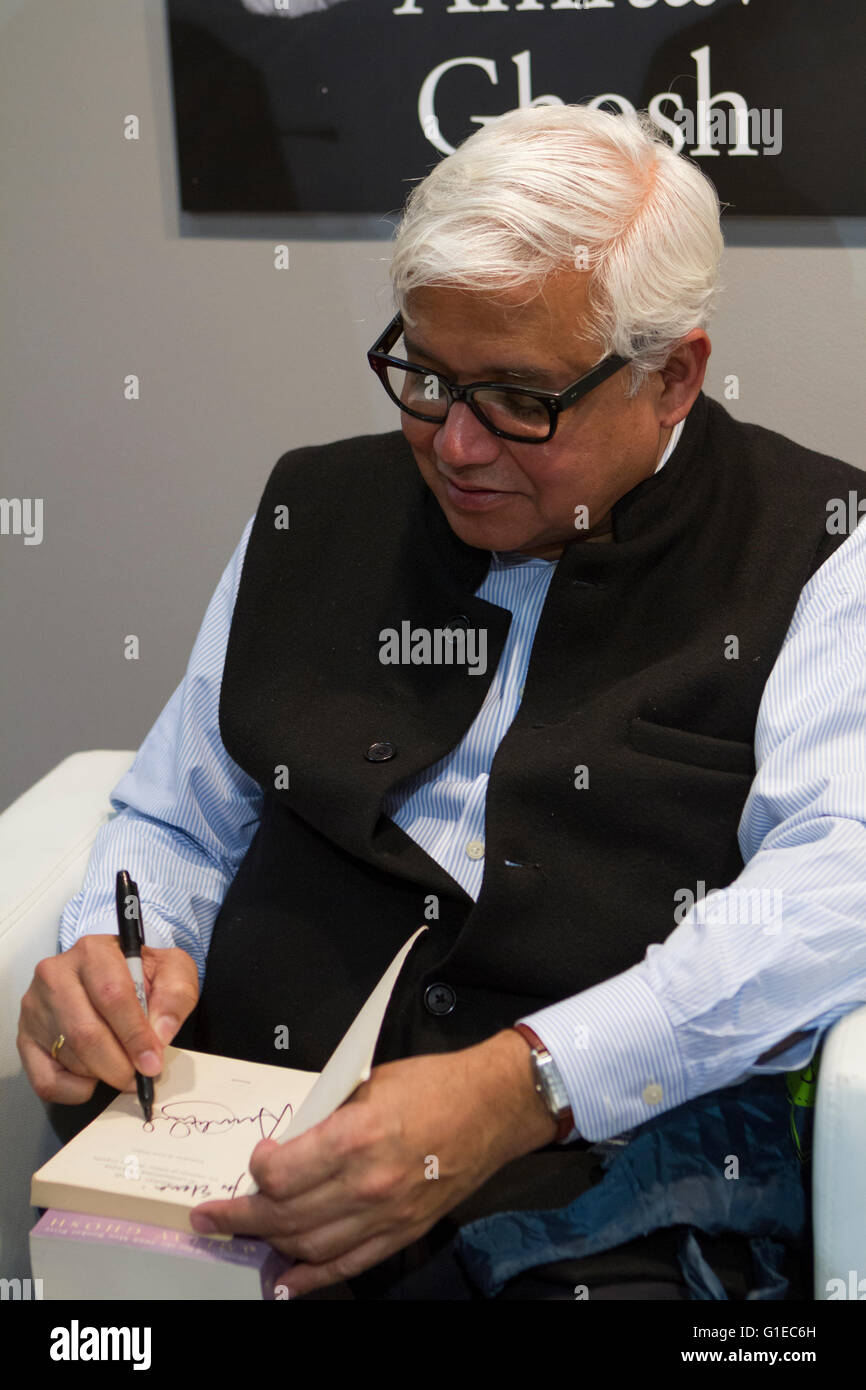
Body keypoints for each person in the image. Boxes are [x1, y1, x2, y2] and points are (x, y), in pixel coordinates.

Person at [18, 104, 866, 1301]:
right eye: (423, 376)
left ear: (670, 373)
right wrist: (117, 955)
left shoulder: (819, 549)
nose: (455, 444)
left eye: (519, 398)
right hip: (228, 1139)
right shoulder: (315, 507)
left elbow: (839, 885)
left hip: (586, 1173)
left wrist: (521, 1086)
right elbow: (174, 818)